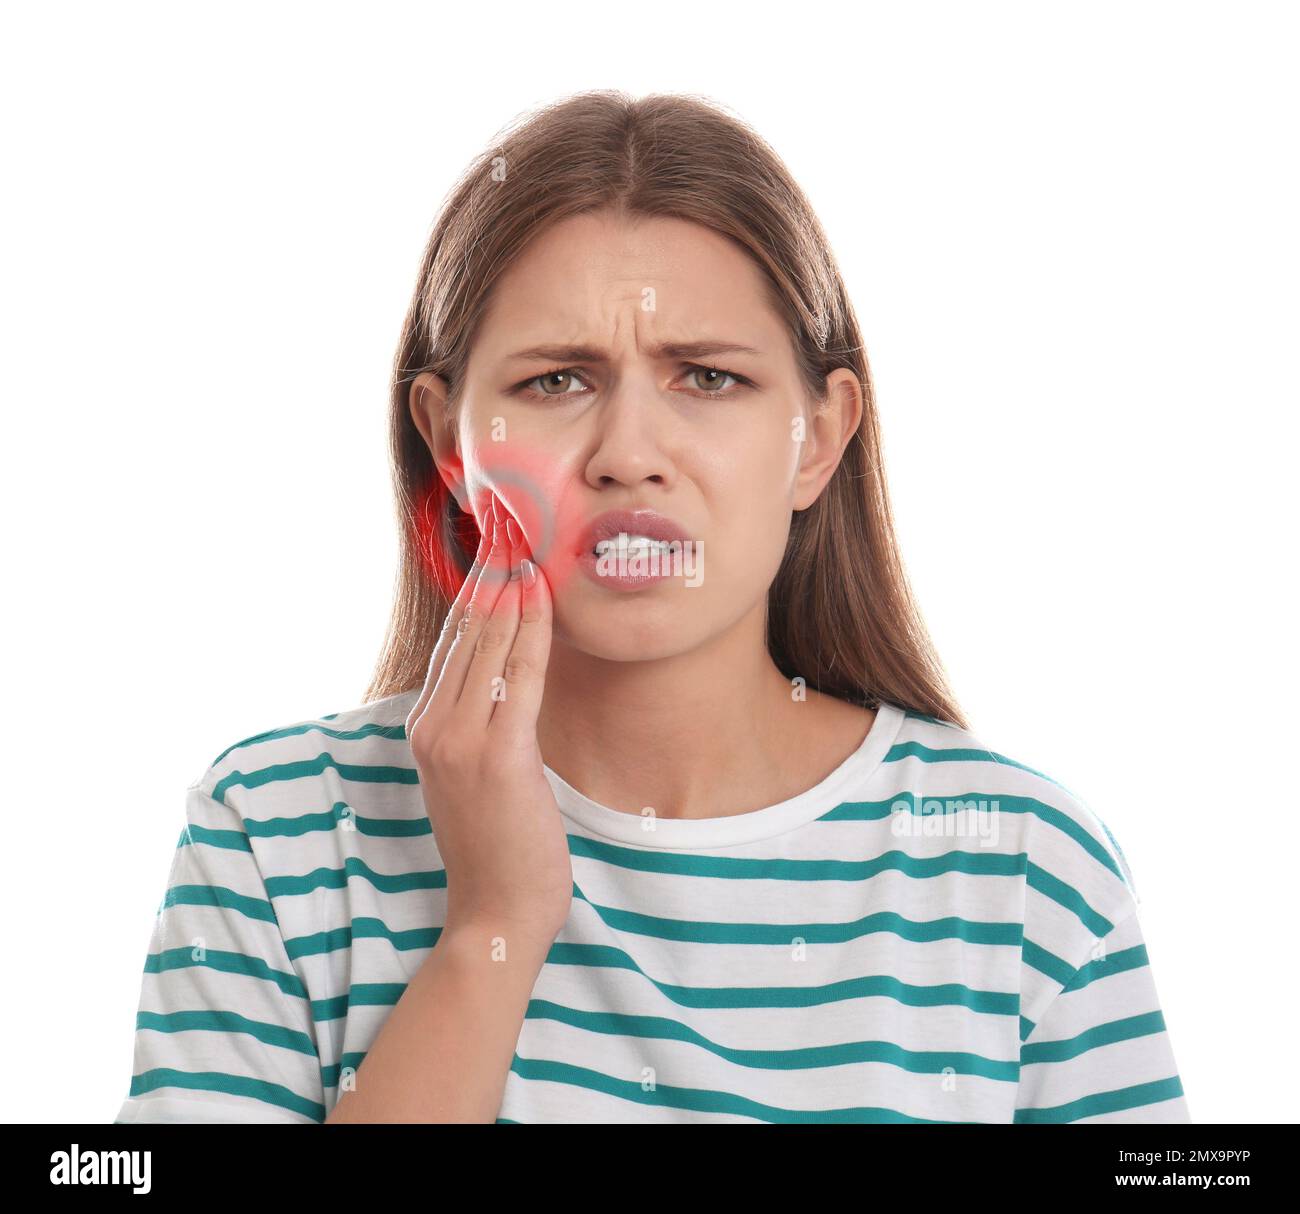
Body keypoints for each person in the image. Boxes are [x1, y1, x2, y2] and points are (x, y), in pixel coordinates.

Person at [114, 90, 1190, 1124]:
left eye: (708, 378)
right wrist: (492, 924)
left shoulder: (1022, 864)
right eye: (556, 381)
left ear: (816, 437)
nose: (629, 455)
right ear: (450, 442)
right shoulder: (273, 830)